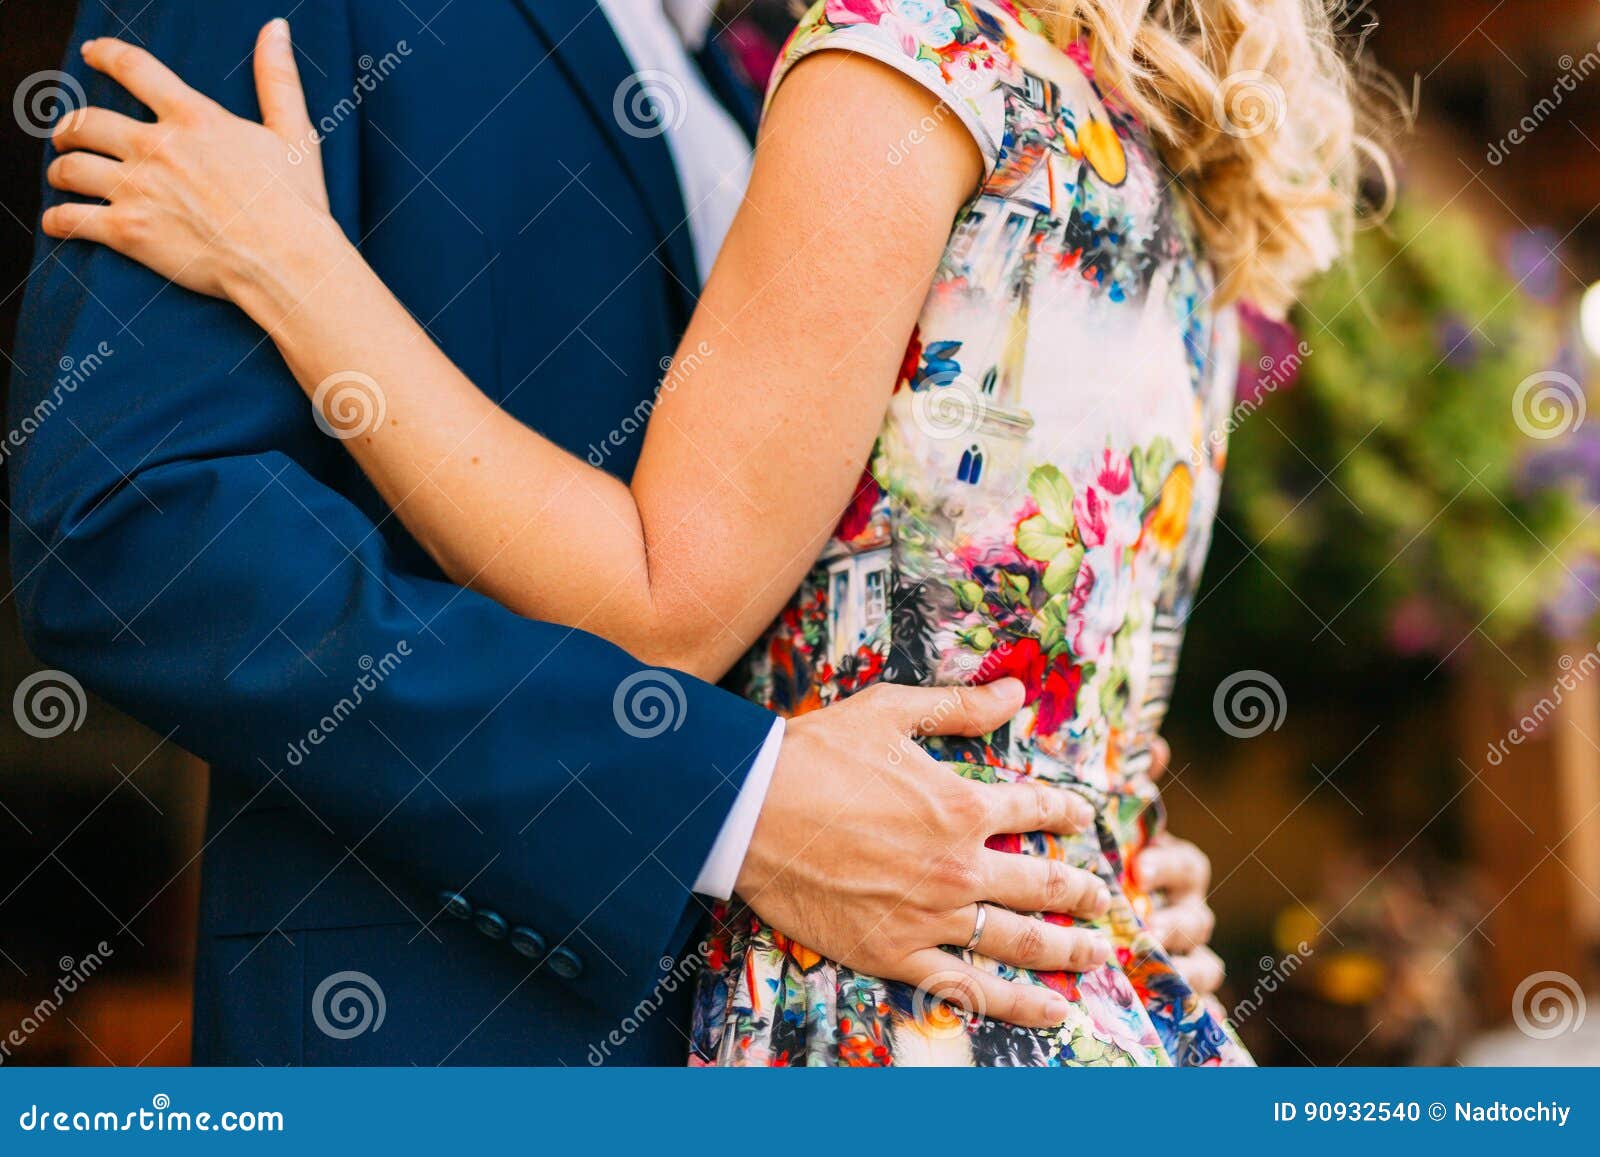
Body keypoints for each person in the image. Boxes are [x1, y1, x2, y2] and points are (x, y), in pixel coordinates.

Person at [10, 0, 1272, 1065]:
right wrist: (724, 800)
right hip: (453, 1035)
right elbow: (135, 528)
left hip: (892, 1018)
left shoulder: (861, 59)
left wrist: (1066, 859)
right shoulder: (1070, 113)